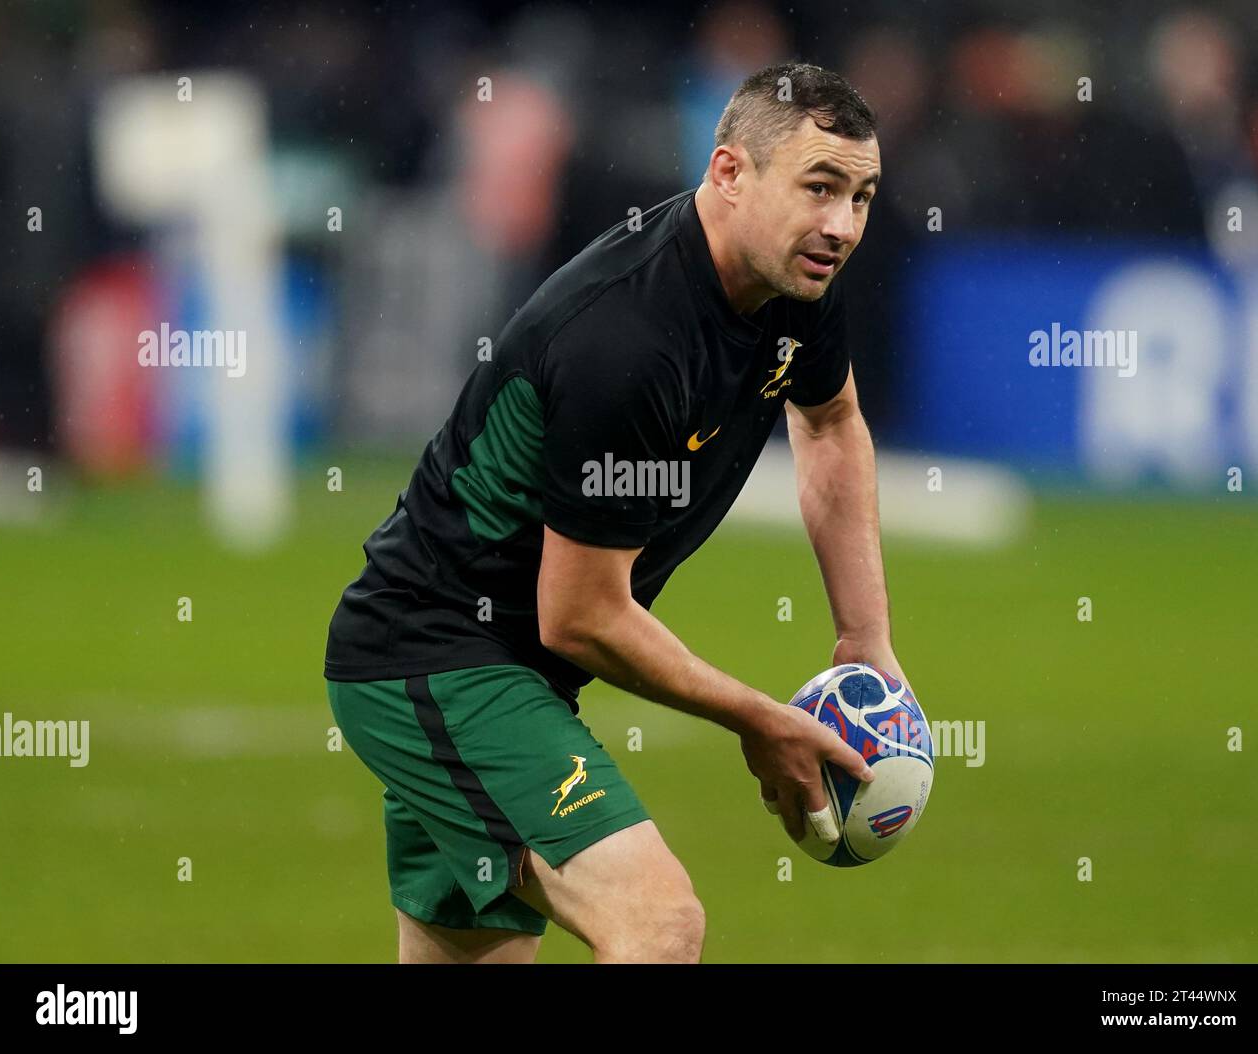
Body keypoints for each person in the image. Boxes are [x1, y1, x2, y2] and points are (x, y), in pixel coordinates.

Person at [325, 61, 906, 963]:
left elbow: (830, 423)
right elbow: (583, 613)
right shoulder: (630, 343)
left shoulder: (797, 283)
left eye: (862, 196)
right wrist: (760, 721)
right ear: (728, 173)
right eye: (820, 187)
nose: (842, 225)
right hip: (437, 660)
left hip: (509, 674)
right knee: (658, 924)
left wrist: (864, 642)